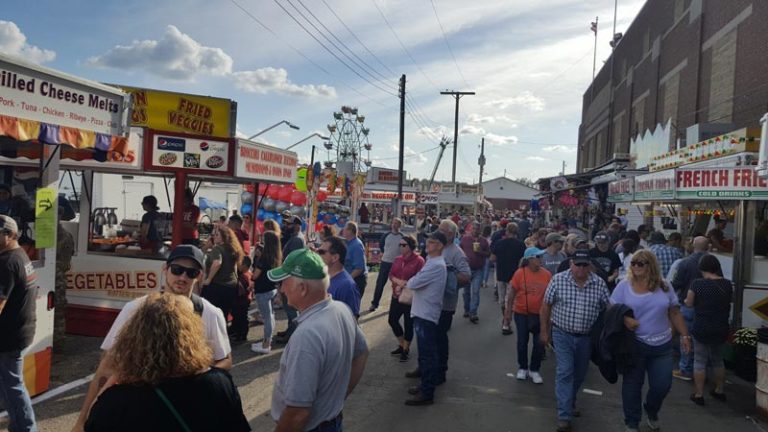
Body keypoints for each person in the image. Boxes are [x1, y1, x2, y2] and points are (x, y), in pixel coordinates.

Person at [72, 245, 232, 432]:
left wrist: (198, 379)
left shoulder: (211, 313)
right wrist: (81, 421)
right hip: (141, 409)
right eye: (177, 269)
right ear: (165, 269)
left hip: (185, 410)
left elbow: (225, 360)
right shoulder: (135, 309)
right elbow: (107, 367)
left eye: (191, 273)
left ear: (199, 276)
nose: (182, 277)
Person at [83, 293, 250, 432]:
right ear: (192, 338)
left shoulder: (115, 403)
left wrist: (114, 379)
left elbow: (92, 423)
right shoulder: (219, 384)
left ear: (134, 340)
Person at [268, 249, 369, 431]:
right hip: (332, 422)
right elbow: (362, 353)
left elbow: (298, 412)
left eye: (284, 282)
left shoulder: (307, 335)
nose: (281, 289)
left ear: (302, 288)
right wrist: (337, 397)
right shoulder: (341, 309)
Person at [610, 250, 691, 432]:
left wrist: (685, 335)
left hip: (662, 345)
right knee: (632, 385)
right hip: (634, 344)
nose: (636, 266)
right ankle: (632, 422)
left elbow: (674, 312)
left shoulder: (665, 286)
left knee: (662, 385)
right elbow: (611, 307)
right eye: (633, 263)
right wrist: (625, 319)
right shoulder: (624, 286)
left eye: (641, 263)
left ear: (651, 265)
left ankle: (652, 410)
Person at [540, 249, 610, 432]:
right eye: (577, 264)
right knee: (565, 372)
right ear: (571, 264)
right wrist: (544, 331)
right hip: (562, 333)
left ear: (590, 266)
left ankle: (569, 401)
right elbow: (546, 305)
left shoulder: (599, 283)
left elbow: (608, 308)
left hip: (586, 338)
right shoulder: (558, 280)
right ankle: (564, 416)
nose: (581, 268)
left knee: (579, 374)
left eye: (584, 265)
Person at [0, 215, 38, 432]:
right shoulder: (20, 255)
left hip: (9, 337)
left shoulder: (6, 263)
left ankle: (25, 428)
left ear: (10, 235)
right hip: (20, 331)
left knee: (12, 387)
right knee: (10, 385)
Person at [404, 231, 448, 406]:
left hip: (426, 314)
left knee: (427, 355)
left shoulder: (436, 265)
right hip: (424, 311)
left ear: (440, 245)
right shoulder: (432, 262)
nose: (427, 244)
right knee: (425, 354)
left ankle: (427, 391)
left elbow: (413, 283)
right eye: (428, 241)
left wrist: (411, 281)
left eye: (431, 242)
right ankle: (425, 385)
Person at [684, 255, 732, 405]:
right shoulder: (727, 284)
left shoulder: (697, 284)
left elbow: (689, 303)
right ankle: (719, 390)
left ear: (701, 268)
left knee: (700, 360)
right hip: (720, 326)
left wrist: (686, 300)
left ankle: (699, 394)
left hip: (702, 326)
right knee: (718, 359)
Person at [507, 247, 551, 384]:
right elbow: (512, 293)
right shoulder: (520, 273)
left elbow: (550, 296)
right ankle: (523, 367)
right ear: (530, 259)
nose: (541, 259)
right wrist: (508, 313)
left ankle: (534, 369)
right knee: (522, 342)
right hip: (522, 313)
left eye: (541, 257)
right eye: (538, 257)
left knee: (539, 343)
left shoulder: (547, 275)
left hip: (540, 315)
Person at [671, 236, 710, 381]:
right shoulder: (712, 262)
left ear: (693, 246)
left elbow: (676, 283)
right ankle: (701, 369)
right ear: (707, 247)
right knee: (701, 339)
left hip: (688, 305)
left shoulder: (685, 262)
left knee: (686, 336)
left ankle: (686, 369)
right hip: (706, 306)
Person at [387, 235, 425, 362]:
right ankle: (402, 343)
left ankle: (405, 349)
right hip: (396, 295)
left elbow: (421, 279)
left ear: (411, 246)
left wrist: (406, 284)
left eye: (403, 245)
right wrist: (398, 281)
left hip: (410, 298)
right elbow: (391, 274)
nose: (401, 247)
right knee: (392, 320)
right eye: (400, 245)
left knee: (409, 324)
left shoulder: (419, 261)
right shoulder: (398, 259)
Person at [202, 226, 245, 325]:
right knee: (224, 314)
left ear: (224, 237)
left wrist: (208, 279)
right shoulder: (233, 249)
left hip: (218, 286)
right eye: (214, 235)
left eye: (217, 235)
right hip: (231, 286)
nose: (214, 237)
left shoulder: (217, 249)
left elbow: (217, 263)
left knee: (211, 314)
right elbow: (235, 267)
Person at [275, 215, 305, 344]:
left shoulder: (297, 239)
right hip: (290, 277)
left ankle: (293, 333)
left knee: (290, 307)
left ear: (297, 226)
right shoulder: (294, 237)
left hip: (291, 278)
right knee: (289, 307)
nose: (286, 226)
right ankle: (290, 330)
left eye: (289, 224)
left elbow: (292, 261)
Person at [250, 231, 282, 355]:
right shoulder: (277, 256)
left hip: (262, 290)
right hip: (272, 289)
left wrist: (256, 260)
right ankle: (267, 340)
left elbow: (255, 275)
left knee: (267, 317)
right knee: (270, 316)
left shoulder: (264, 257)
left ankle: (266, 344)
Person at [492, 222, 526, 334]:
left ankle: (505, 321)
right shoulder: (521, 245)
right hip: (514, 276)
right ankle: (506, 322)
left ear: (507, 231)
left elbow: (492, 258)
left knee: (503, 301)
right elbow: (523, 261)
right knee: (510, 301)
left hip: (501, 274)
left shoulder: (499, 243)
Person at [320, 236, 362, 317]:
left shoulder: (347, 286)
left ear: (335, 257)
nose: (317, 254)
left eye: (321, 252)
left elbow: (351, 319)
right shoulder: (322, 277)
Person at [370, 218, 404, 312]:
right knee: (380, 283)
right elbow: (381, 246)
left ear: (400, 225)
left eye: (396, 223)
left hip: (397, 264)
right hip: (385, 262)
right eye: (393, 223)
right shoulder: (386, 236)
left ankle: (397, 304)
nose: (394, 225)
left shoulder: (402, 237)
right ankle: (374, 303)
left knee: (397, 285)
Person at [459, 222, 490, 324]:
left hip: (478, 270)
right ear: (471, 229)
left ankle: (473, 313)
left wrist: (480, 251)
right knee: (466, 291)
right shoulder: (465, 239)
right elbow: (459, 251)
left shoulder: (483, 241)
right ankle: (467, 309)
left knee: (475, 291)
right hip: (466, 269)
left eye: (477, 229)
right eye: (474, 229)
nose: (475, 231)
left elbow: (488, 254)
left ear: (480, 230)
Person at [230, 256, 253, 342]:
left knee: (241, 318)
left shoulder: (243, 276)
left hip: (242, 301)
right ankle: (239, 333)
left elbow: (241, 291)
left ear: (244, 265)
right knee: (241, 317)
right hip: (245, 299)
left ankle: (241, 335)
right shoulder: (249, 274)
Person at [342, 221, 368, 297]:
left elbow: (359, 268)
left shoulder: (356, 245)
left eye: (345, 229)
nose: (343, 231)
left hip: (356, 280)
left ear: (350, 231)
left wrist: (347, 280)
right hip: (351, 278)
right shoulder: (349, 243)